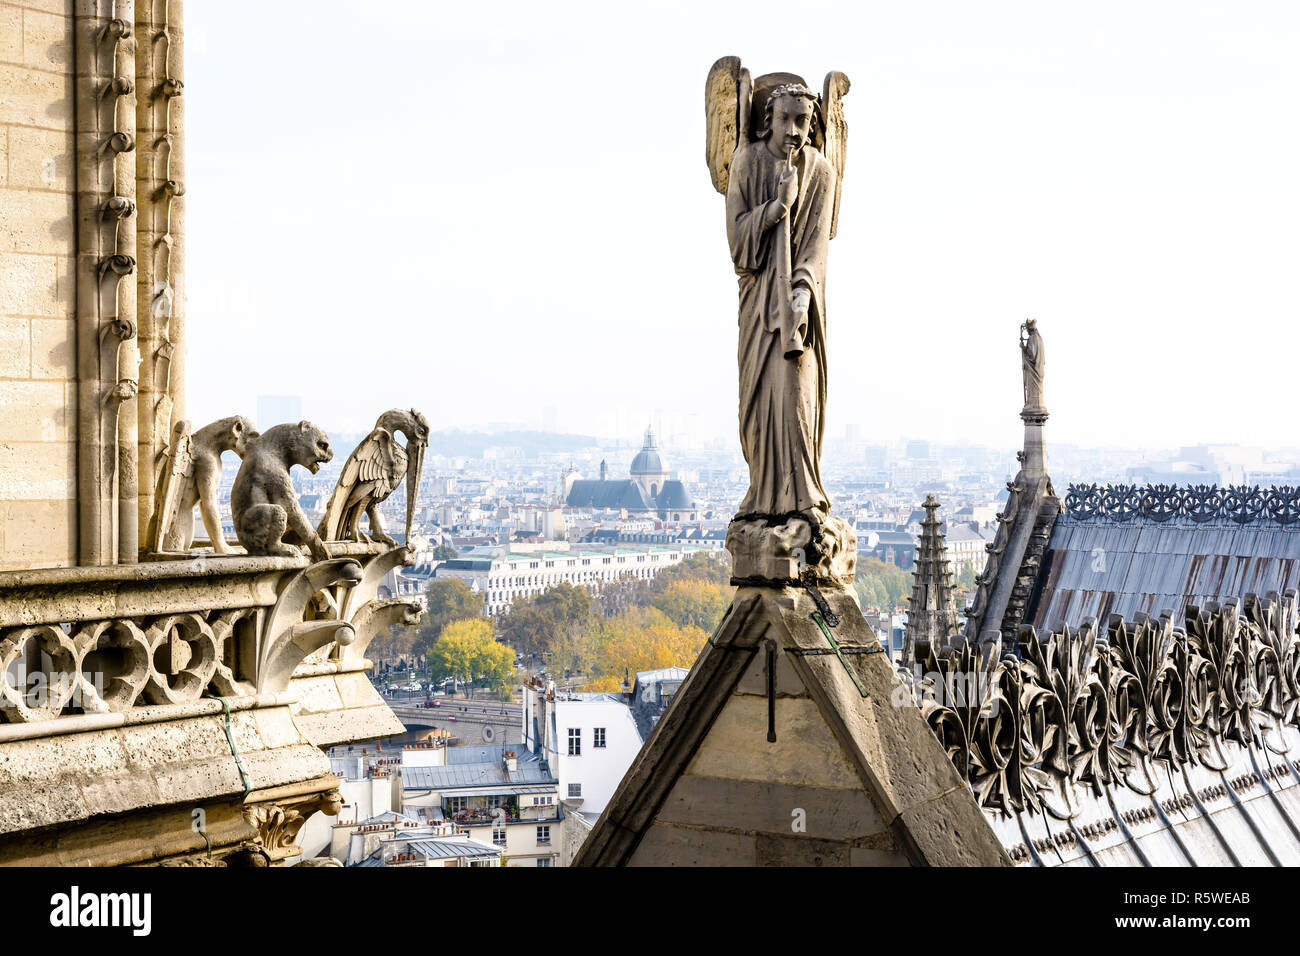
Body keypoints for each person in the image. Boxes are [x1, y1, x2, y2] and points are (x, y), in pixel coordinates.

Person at [725, 83, 835, 520]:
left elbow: (816, 252)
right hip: (757, 306)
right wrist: (777, 207)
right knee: (757, 404)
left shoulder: (822, 172)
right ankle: (762, 497)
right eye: (785, 119)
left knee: (796, 396)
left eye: (803, 122)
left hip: (797, 309)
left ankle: (803, 497)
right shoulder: (747, 163)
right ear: (769, 118)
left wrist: (803, 295)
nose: (793, 131)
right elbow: (738, 245)